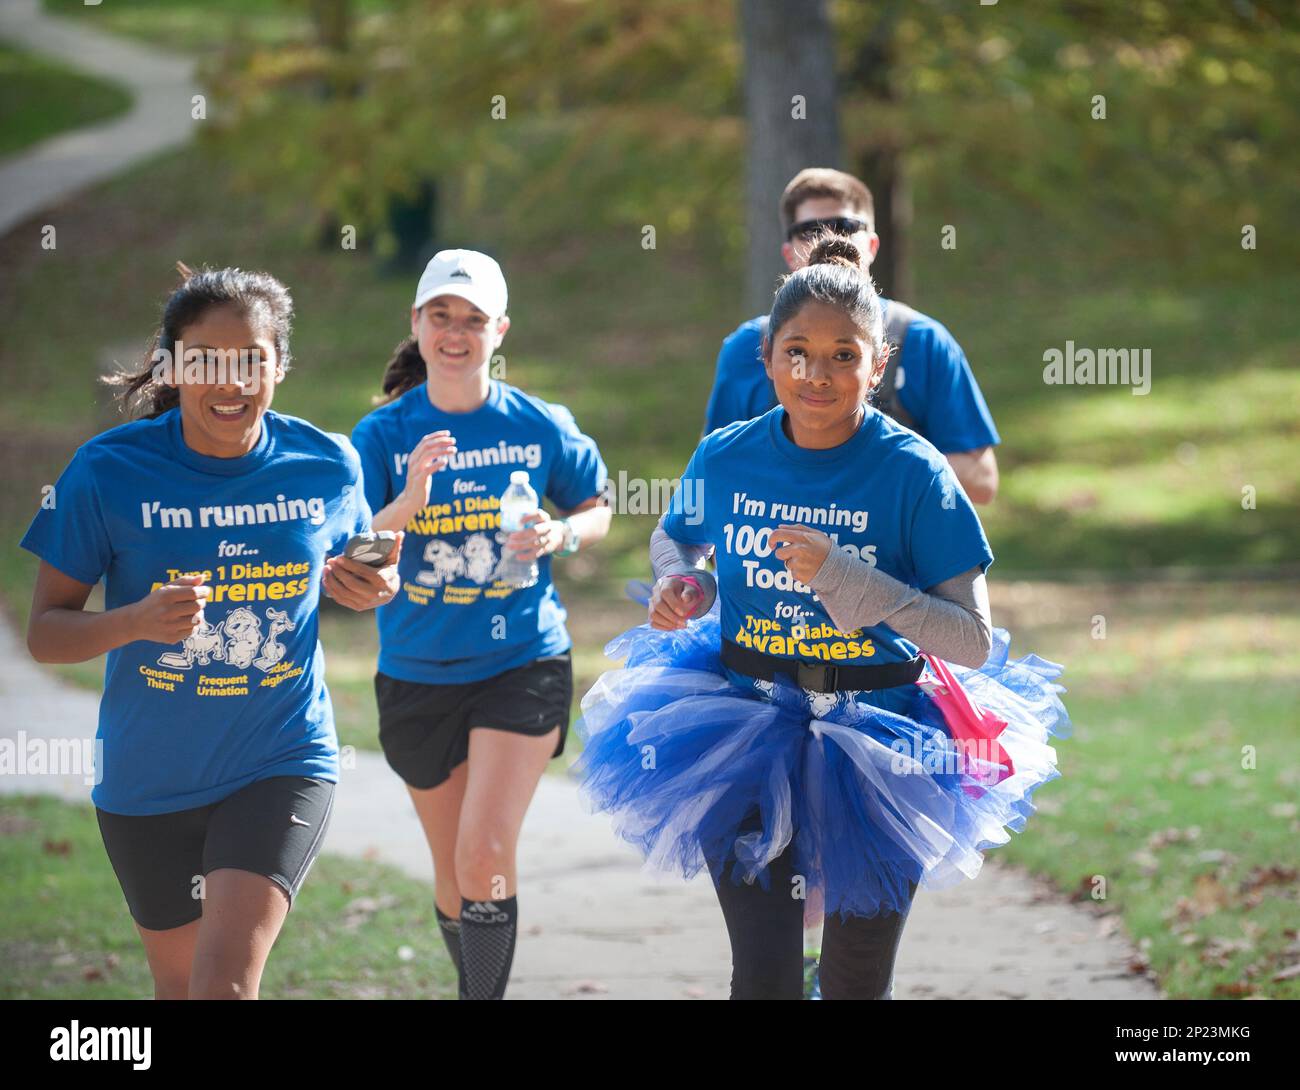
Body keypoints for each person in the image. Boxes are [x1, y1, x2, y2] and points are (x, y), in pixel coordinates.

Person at [574, 235, 1069, 999]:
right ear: (768, 357)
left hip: (883, 742)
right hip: (738, 729)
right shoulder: (728, 454)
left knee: (854, 982)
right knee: (765, 978)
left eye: (846, 355)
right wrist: (684, 583)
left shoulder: (913, 473)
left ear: (879, 365)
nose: (818, 373)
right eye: (798, 351)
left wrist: (848, 578)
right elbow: (677, 535)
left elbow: (970, 639)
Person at [21, 265, 401, 999]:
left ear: (279, 366)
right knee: (181, 990)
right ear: (172, 365)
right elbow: (44, 632)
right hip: (148, 777)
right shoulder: (108, 472)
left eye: (250, 360)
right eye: (207, 361)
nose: (231, 383)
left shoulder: (327, 464)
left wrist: (375, 583)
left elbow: (360, 568)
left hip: (279, 757)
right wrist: (135, 621)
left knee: (224, 986)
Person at [351, 248, 611, 1000]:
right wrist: (408, 501)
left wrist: (562, 536)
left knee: (486, 852)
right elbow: (352, 563)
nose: (456, 333)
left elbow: (597, 507)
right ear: (418, 323)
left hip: (522, 662)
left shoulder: (537, 424)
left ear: (500, 330)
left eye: (472, 320)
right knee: (453, 874)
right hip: (416, 672)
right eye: (442, 316)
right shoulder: (381, 437)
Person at [704, 167, 1001, 504]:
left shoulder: (923, 341)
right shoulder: (745, 347)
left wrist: (871, 459)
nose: (829, 239)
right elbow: (714, 479)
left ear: (872, 245)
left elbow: (982, 482)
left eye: (846, 227)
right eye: (810, 230)